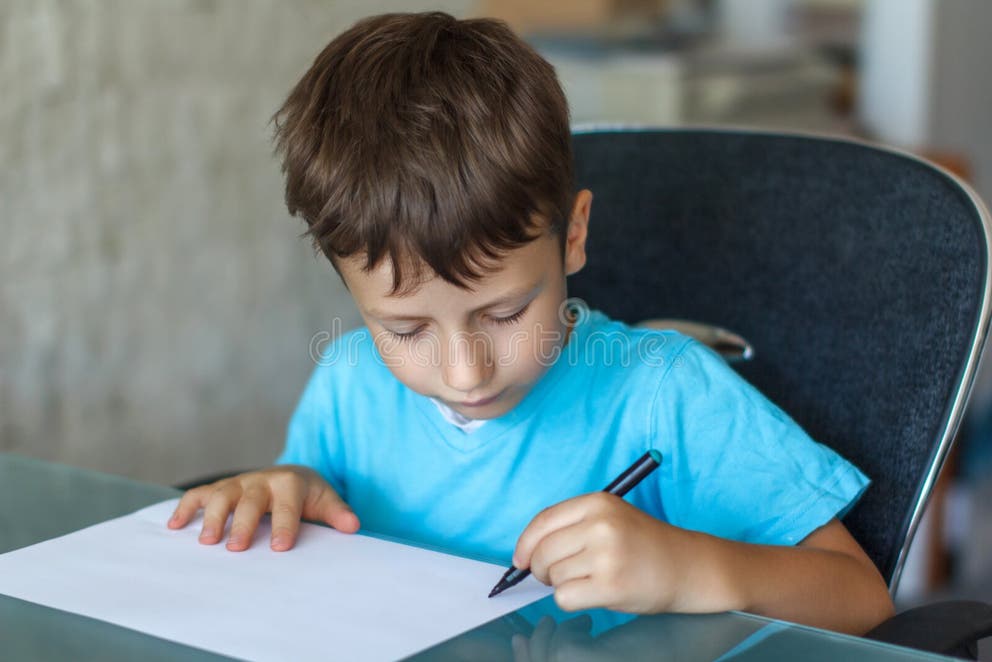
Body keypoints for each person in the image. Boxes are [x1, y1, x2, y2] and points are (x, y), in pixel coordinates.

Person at [167, 12, 894, 634]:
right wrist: (285, 488)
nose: (465, 372)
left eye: (506, 311)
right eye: (406, 330)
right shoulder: (347, 384)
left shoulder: (665, 395)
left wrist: (691, 569)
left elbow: (862, 598)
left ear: (572, 235)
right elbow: (312, 530)